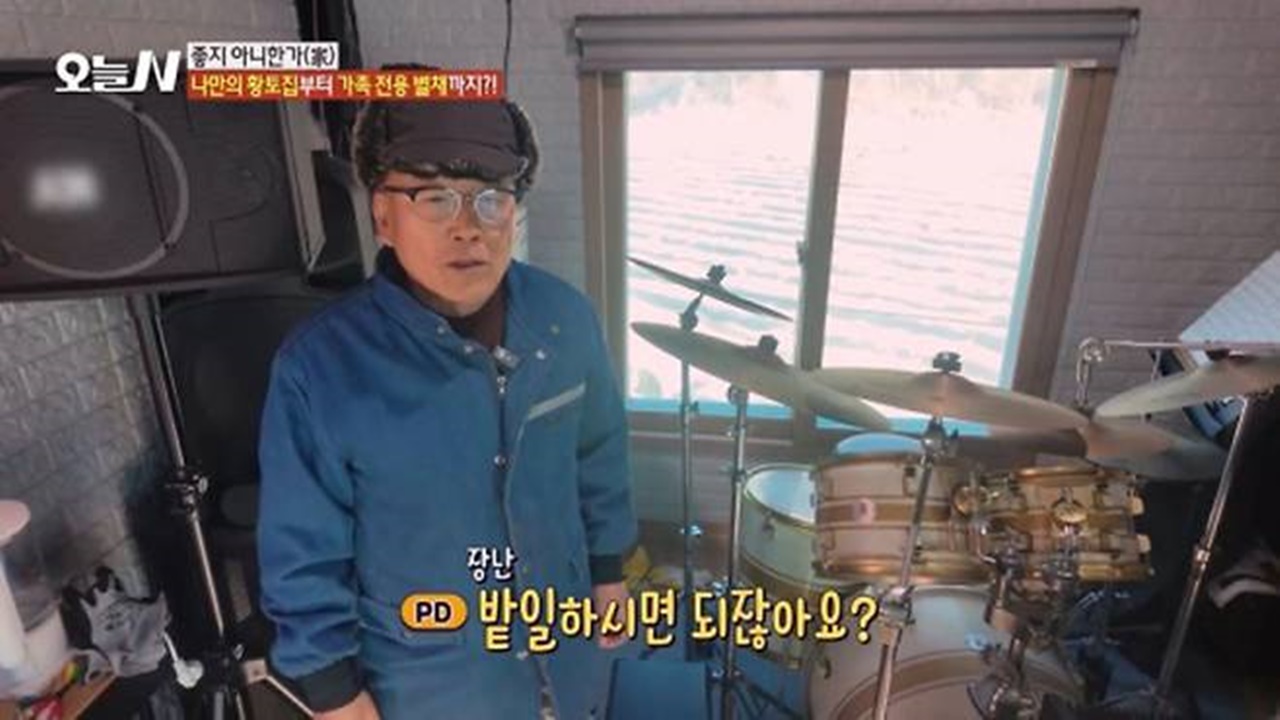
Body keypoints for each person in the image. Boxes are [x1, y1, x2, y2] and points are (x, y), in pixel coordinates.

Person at [256, 88, 637, 720]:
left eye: (491, 197)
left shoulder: (565, 318)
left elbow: (599, 450)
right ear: (383, 216)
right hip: (431, 680)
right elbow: (302, 554)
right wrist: (333, 692)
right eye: (434, 197)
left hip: (563, 644)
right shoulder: (318, 369)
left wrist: (606, 566)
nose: (468, 226)